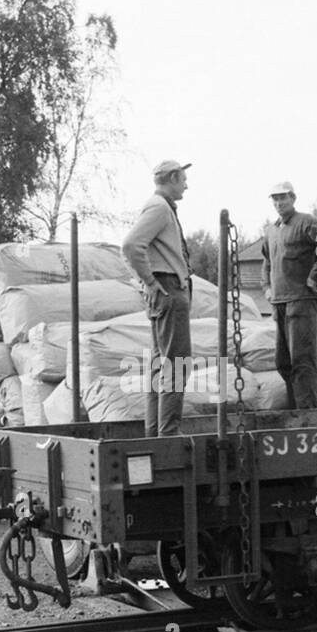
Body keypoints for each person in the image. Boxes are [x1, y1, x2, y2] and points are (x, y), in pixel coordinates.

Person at [122, 160, 193, 436]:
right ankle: (169, 434)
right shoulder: (159, 207)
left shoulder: (160, 207)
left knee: (159, 366)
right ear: (173, 177)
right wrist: (150, 281)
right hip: (168, 288)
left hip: (163, 289)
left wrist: (147, 283)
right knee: (176, 363)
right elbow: (130, 245)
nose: (186, 184)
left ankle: (156, 432)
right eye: (183, 179)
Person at [260, 181, 317, 409]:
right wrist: (267, 288)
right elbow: (267, 262)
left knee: (302, 361)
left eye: (284, 198)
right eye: (275, 199)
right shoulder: (272, 229)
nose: (279, 203)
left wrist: (314, 276)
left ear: (293, 198)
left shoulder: (305, 223)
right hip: (279, 303)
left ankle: (307, 414)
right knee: (283, 362)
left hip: (301, 301)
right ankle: (295, 409)